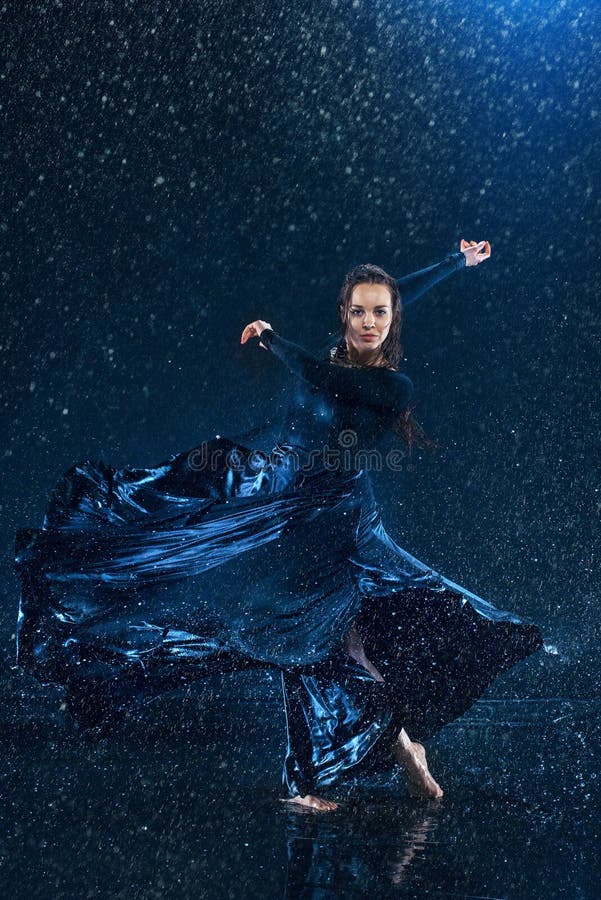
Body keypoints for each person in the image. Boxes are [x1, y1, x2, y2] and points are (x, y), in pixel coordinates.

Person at [14, 240, 542, 810]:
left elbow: (316, 371)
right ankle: (392, 745)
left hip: (333, 518)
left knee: (304, 633)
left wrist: (270, 338)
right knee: (320, 635)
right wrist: (453, 264)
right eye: (359, 311)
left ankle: (323, 772)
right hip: (283, 498)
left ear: (393, 322)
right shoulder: (347, 343)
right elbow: (391, 299)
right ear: (346, 313)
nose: (370, 324)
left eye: (381, 314)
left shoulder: (390, 386)